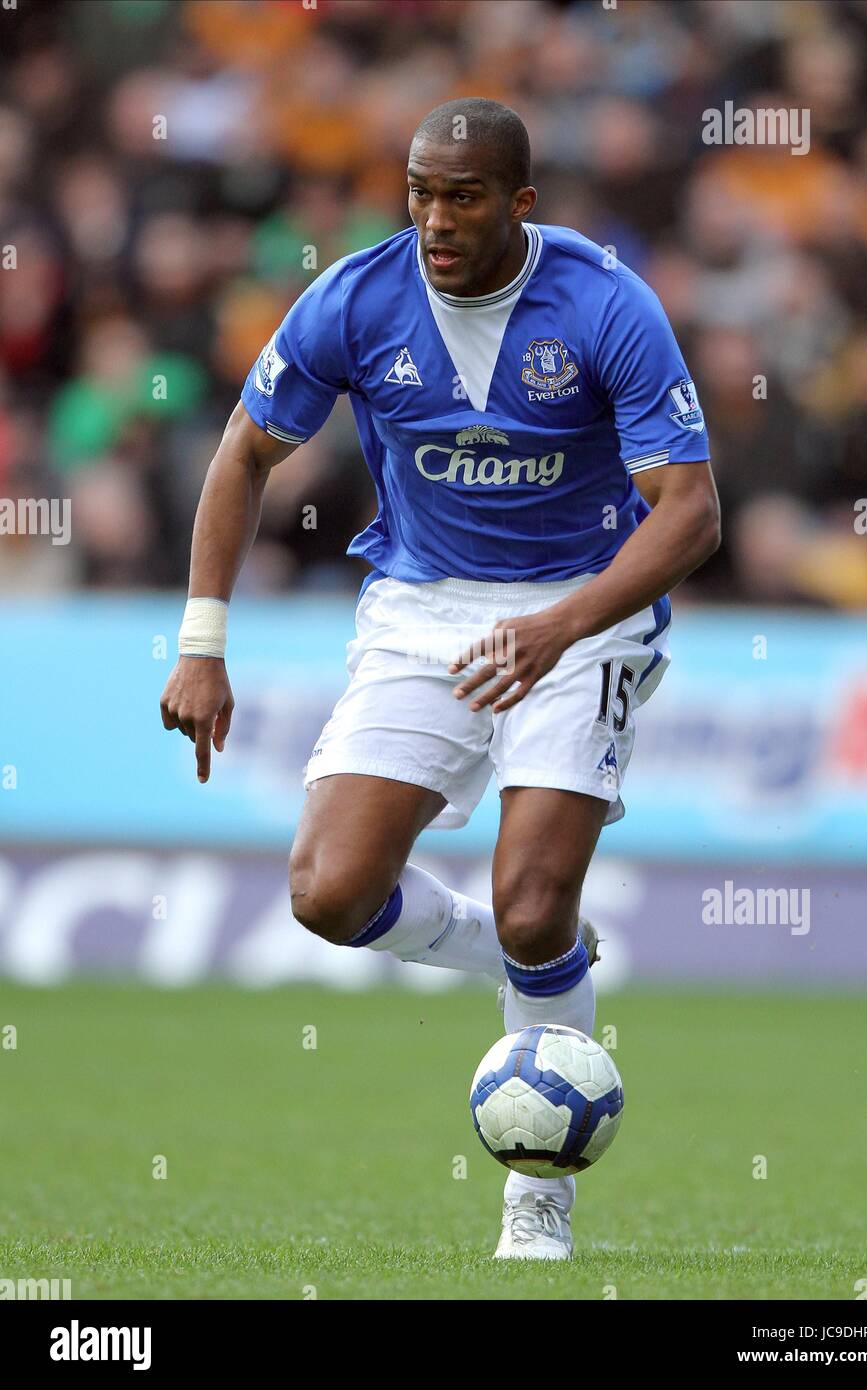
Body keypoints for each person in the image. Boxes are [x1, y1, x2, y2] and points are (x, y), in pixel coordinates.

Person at [160, 98, 720, 1260]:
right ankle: (516, 954)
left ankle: (539, 1195)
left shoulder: (605, 304)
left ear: (520, 202)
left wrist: (561, 628)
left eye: (463, 196)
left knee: (532, 895)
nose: (435, 218)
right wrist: (203, 641)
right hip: (421, 610)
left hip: (581, 606)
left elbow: (691, 513)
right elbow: (242, 453)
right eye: (419, 191)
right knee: (328, 892)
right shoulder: (356, 300)